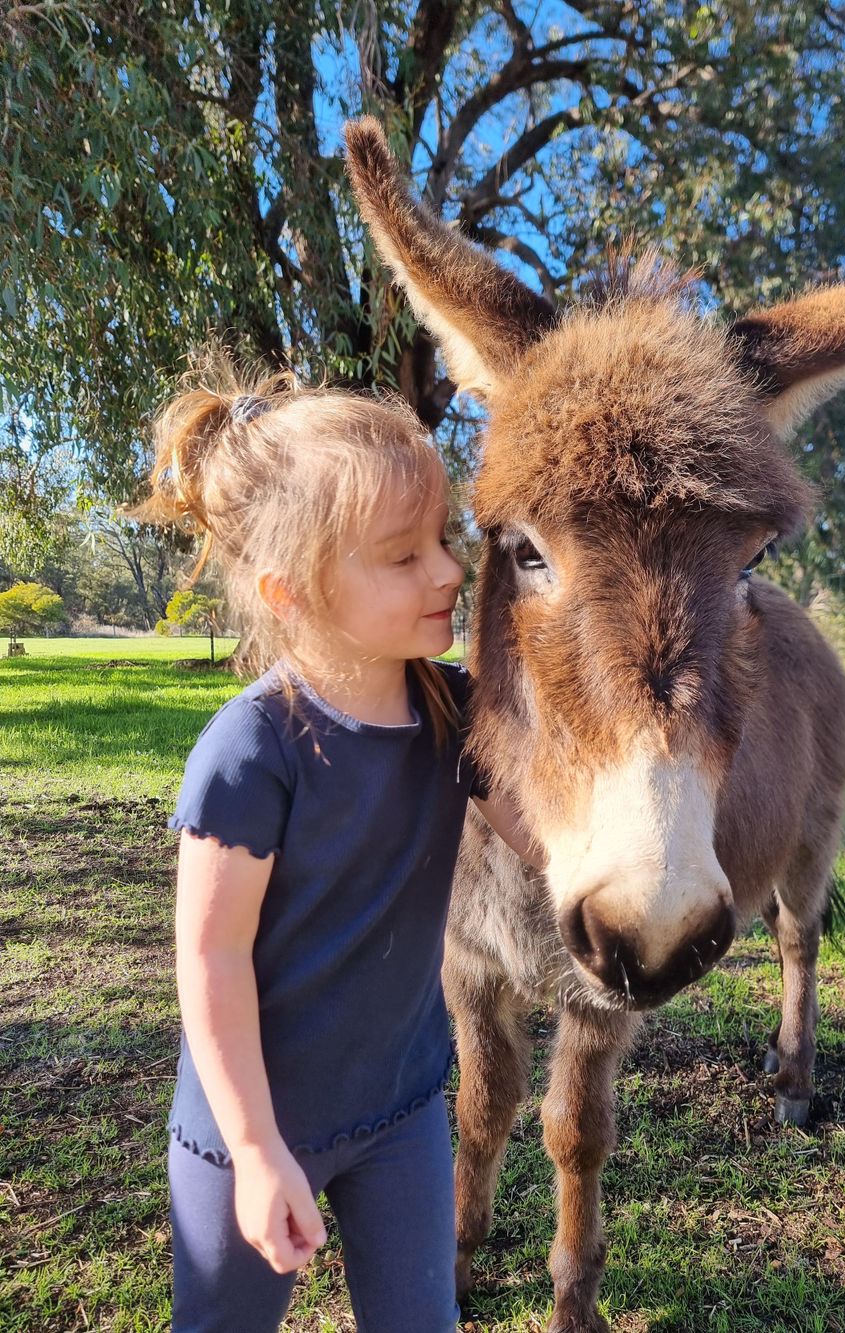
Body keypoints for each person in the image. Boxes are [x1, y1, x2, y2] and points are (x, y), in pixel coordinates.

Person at [140, 365, 538, 1333]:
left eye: (444, 539)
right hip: (251, 1127)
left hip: (401, 1112)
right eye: (403, 556)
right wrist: (253, 1147)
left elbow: (544, 838)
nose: (448, 572)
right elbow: (211, 956)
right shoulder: (250, 752)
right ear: (292, 591)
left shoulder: (455, 712)